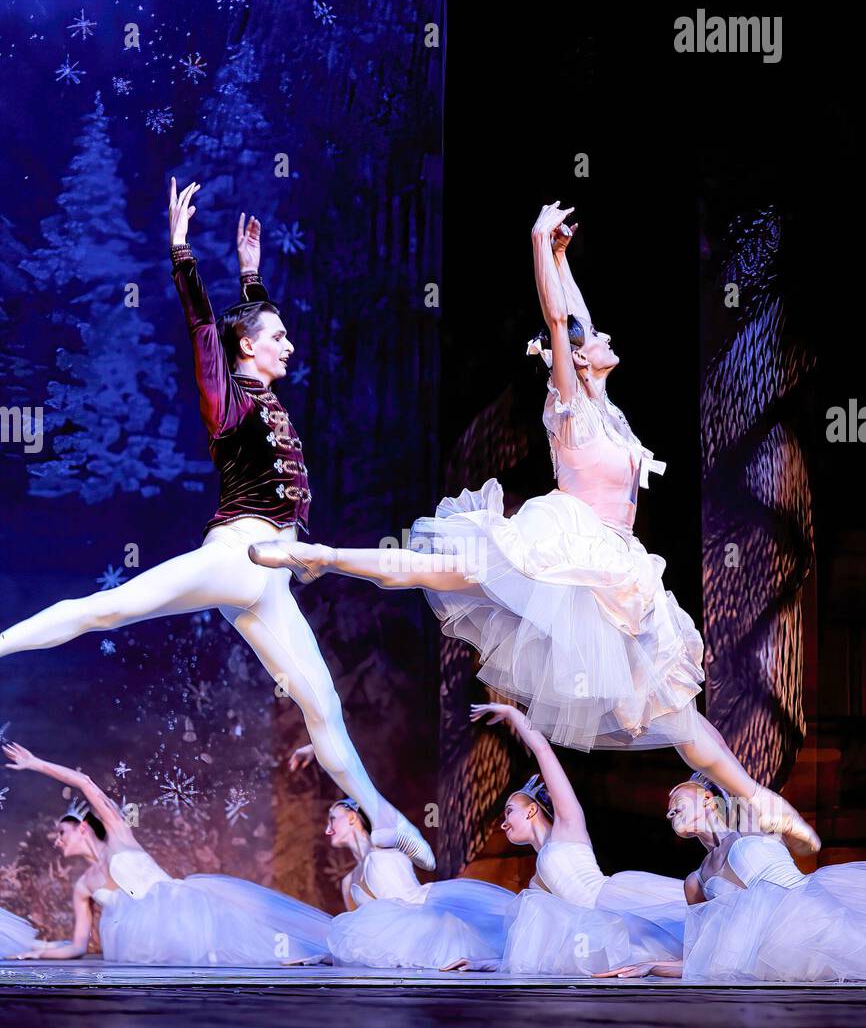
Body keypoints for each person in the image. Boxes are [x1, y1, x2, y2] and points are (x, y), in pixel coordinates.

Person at [249, 202, 818, 858]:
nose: (598, 337)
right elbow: (558, 320)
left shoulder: (606, 408)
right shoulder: (571, 406)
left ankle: (755, 797)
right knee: (439, 568)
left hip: (616, 565)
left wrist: (564, 260)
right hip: (568, 540)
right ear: (573, 361)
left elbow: (576, 316)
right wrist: (536, 242)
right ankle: (320, 554)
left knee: (681, 720)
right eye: (582, 343)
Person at [0, 180, 433, 872]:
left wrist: (252, 273)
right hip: (238, 555)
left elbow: (240, 322)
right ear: (246, 348)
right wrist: (181, 253)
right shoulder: (226, 400)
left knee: (322, 705)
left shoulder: (261, 391)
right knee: (108, 608)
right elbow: (207, 329)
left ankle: (380, 817)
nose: (289, 346)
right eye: (278, 337)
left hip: (269, 582)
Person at [1, 741, 332, 966]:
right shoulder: (83, 886)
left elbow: (85, 782)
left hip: (180, 907)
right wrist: (39, 950)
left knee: (249, 943)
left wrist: (37, 764)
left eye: (61, 832)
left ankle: (308, 954)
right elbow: (76, 946)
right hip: (142, 941)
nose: (57, 840)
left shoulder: (118, 834)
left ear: (83, 827)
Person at [447, 703, 689, 975]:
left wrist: (512, 713)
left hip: (612, 901)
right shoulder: (537, 884)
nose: (503, 823)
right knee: (649, 959)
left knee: (686, 933)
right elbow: (536, 947)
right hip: (595, 927)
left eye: (509, 811)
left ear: (531, 810)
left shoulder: (567, 827)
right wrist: (486, 965)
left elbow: (543, 751)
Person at [600, 776, 866, 982]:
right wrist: (653, 966)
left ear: (706, 798)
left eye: (677, 802)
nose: (670, 812)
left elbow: (721, 764)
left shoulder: (750, 823)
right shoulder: (695, 882)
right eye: (668, 812)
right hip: (768, 960)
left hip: (817, 923)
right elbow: (704, 955)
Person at [289, 742, 514, 970]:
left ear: (351, 817)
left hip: (432, 929)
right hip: (402, 955)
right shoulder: (348, 882)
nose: (327, 829)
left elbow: (356, 777)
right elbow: (359, 940)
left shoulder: (383, 847)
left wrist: (321, 749)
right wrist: (327, 957)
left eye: (332, 819)